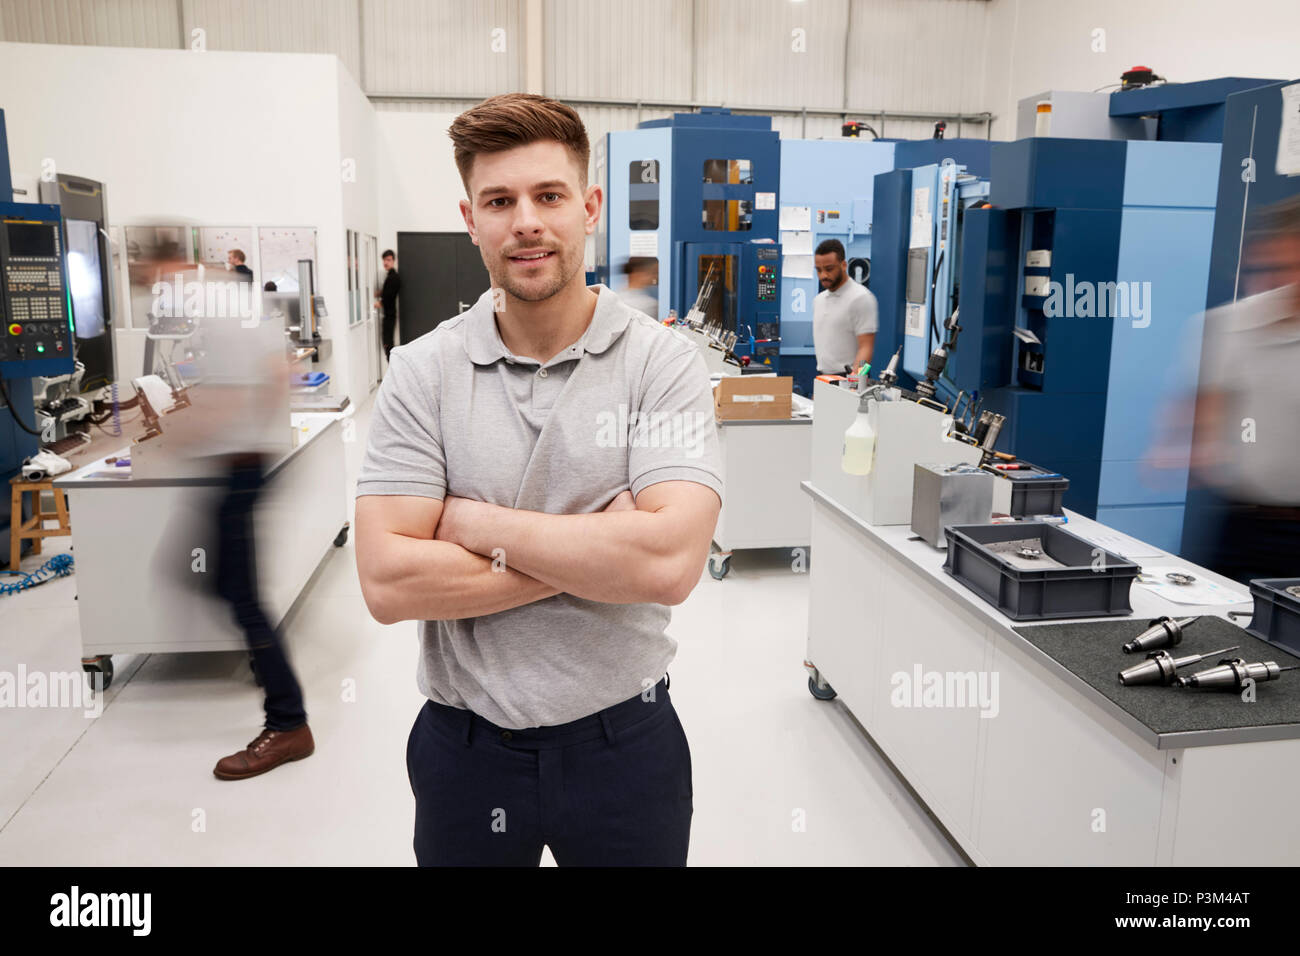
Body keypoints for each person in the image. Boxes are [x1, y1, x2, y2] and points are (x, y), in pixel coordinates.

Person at [355, 93, 722, 866]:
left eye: (548, 196)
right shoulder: (422, 373)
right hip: (465, 752)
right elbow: (388, 582)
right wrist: (600, 549)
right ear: (471, 219)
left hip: (627, 746)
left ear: (588, 207)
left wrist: (473, 523)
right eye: (500, 200)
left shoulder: (663, 366)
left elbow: (668, 566)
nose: (526, 221)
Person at [1177, 194, 1300, 583]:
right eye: (1270, 267)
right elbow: (1203, 409)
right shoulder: (1230, 326)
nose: (1277, 281)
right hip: (1243, 522)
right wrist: (1196, 446)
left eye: (1290, 267)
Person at [812, 238, 877, 374]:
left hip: (850, 380)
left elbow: (867, 348)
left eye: (829, 269)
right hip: (823, 379)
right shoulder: (818, 301)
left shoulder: (861, 298)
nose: (823, 275)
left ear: (843, 265)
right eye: (819, 270)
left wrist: (857, 381)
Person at [377, 249, 400, 361]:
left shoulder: (393, 277)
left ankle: (392, 367)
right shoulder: (390, 276)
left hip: (390, 316)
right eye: (384, 260)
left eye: (388, 260)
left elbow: (389, 296)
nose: (386, 263)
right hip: (389, 315)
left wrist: (380, 303)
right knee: (387, 343)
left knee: (388, 344)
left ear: (393, 261)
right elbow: (387, 293)